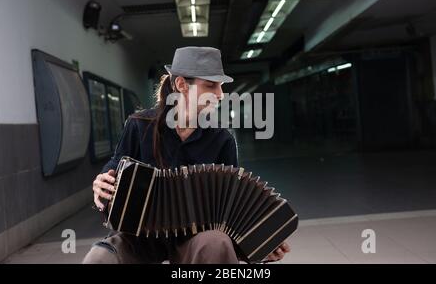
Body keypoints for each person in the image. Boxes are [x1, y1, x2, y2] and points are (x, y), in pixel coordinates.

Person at [82, 47, 290, 264]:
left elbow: (232, 210)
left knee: (217, 244)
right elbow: (115, 167)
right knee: (99, 258)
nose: (220, 94)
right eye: (210, 85)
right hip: (140, 234)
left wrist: (260, 247)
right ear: (181, 85)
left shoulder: (222, 140)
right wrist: (103, 183)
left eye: (221, 86)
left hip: (194, 237)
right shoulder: (139, 125)